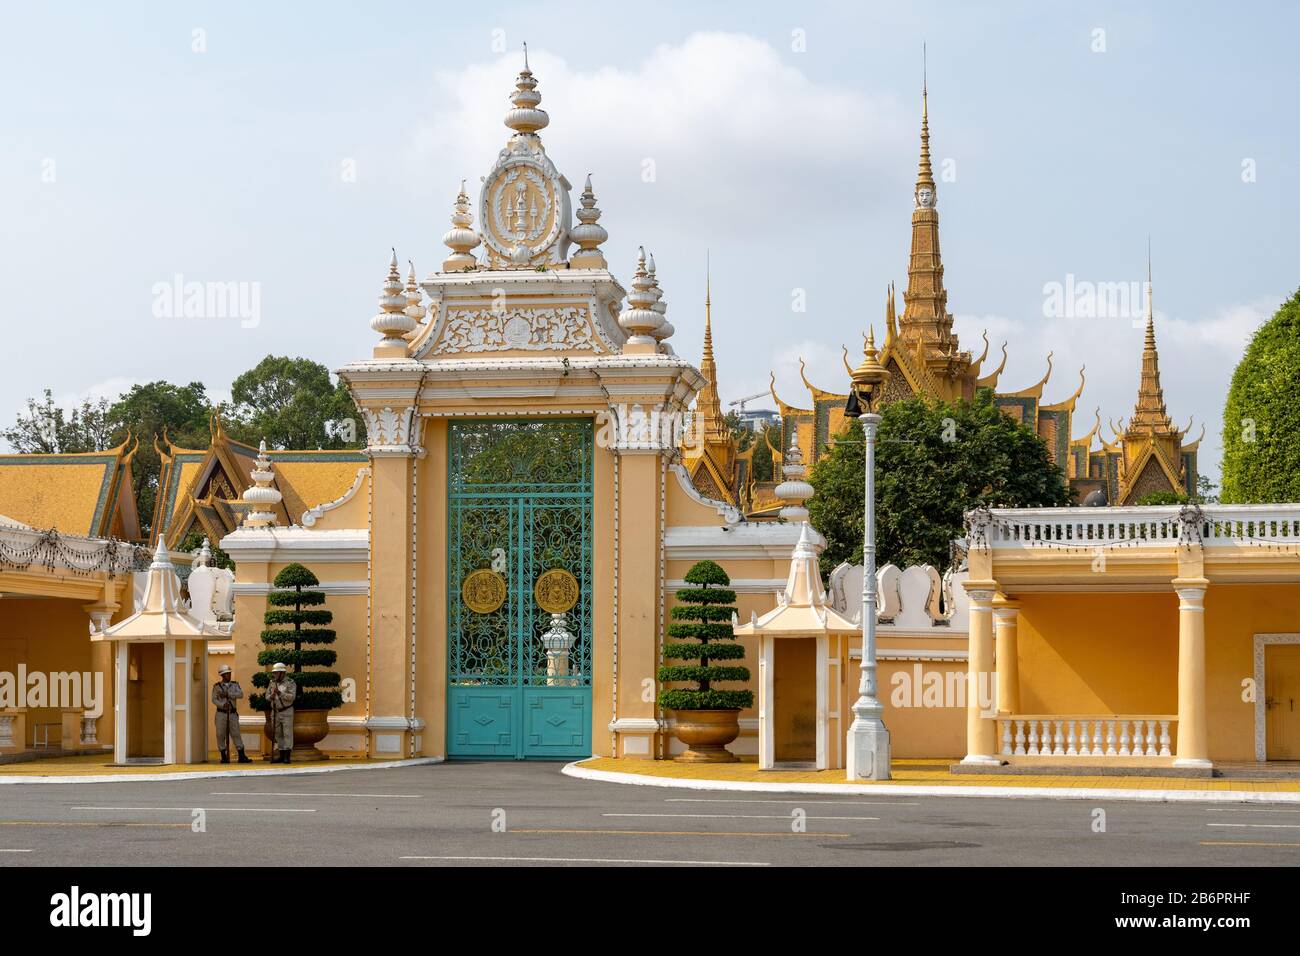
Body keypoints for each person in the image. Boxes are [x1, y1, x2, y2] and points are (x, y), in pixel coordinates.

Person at [211, 665, 252, 764]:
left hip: (232, 713)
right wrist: (222, 705)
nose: (228, 675)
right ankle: (223, 755)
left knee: (236, 733)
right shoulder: (217, 687)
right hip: (221, 713)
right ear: (222, 675)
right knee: (220, 734)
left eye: (229, 673)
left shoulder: (235, 685)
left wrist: (229, 694)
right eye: (226, 674)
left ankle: (241, 755)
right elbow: (214, 699)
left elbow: (240, 694)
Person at [267, 662, 297, 764]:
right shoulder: (272, 683)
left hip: (286, 711)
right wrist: (271, 696)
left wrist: (280, 693)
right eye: (274, 673)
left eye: (276, 673)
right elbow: (267, 697)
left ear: (282, 673)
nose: (275, 675)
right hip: (275, 712)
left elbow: (292, 697)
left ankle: (287, 756)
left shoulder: (290, 683)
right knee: (278, 734)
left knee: (287, 733)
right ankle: (281, 755)